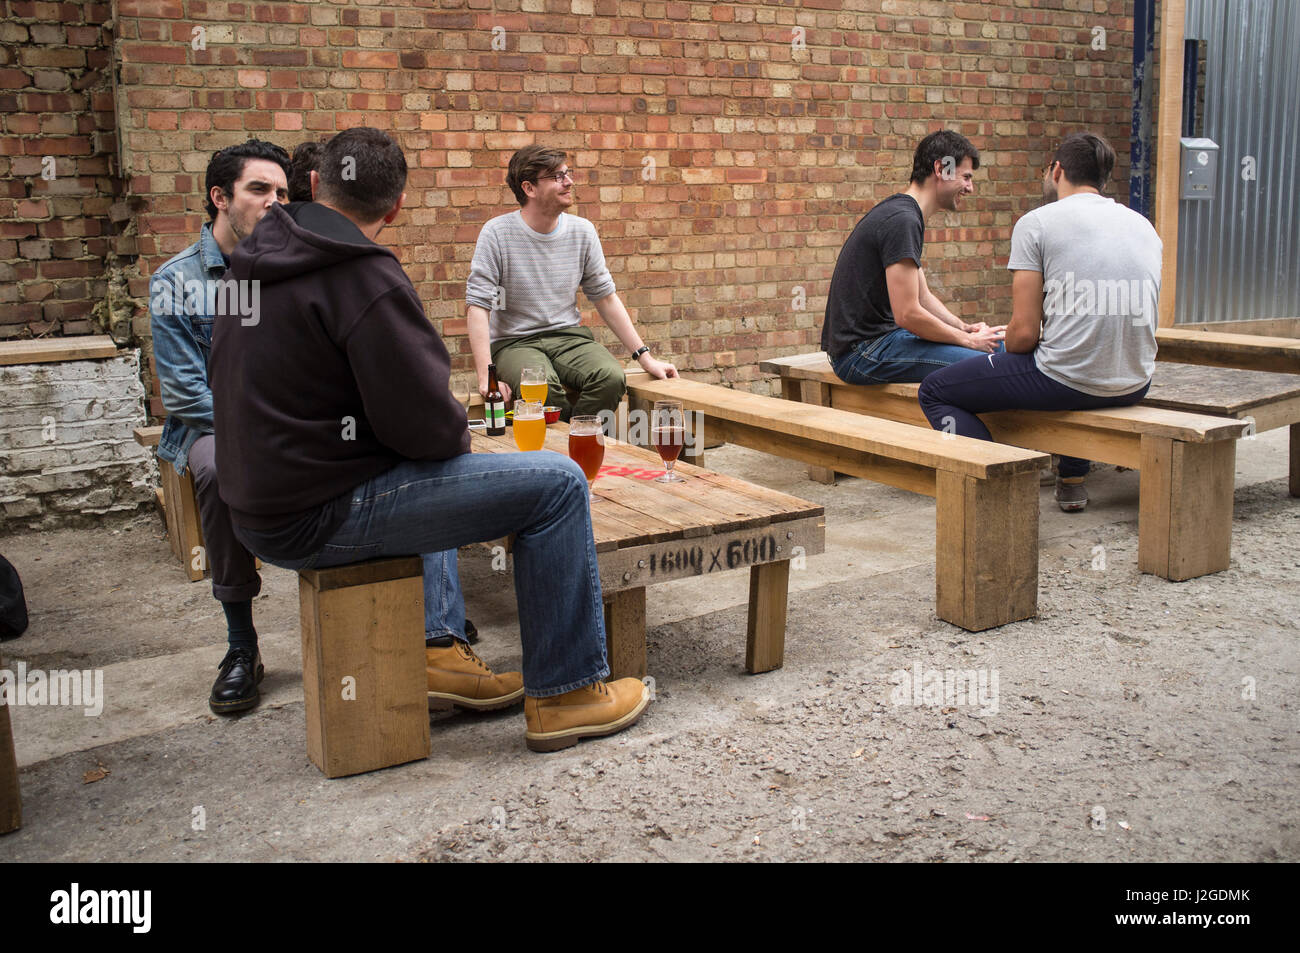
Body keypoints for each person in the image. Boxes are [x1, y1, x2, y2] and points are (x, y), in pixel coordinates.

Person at [209, 127, 649, 751]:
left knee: (424, 470)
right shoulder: (364, 277)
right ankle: (568, 694)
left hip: (254, 507)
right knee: (556, 485)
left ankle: (438, 650)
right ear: (394, 209)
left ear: (309, 185)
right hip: (317, 514)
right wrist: (438, 430)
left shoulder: (251, 262)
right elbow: (431, 428)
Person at [917, 132, 1161, 512]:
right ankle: (1072, 478)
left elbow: (1024, 335)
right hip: (1134, 381)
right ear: (1103, 179)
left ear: (1057, 170)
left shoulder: (1037, 223)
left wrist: (1003, 340)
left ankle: (994, 491)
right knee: (1068, 360)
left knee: (935, 390)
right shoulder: (1143, 225)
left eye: (1047, 170)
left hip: (1068, 381)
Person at [149, 139, 290, 714]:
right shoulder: (176, 280)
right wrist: (269, 427)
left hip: (282, 417)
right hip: (211, 424)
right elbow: (185, 394)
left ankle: (424, 621)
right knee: (214, 469)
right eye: (259, 190)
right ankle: (241, 646)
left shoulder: (292, 268)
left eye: (283, 193)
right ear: (220, 197)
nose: (274, 203)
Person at [465, 145, 678, 423]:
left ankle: (577, 445)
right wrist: (487, 376)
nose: (569, 182)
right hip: (514, 344)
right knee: (543, 390)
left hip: (569, 338)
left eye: (567, 173)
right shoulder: (497, 234)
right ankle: (566, 458)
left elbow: (606, 297)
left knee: (611, 378)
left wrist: (645, 357)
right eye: (556, 177)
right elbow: (478, 307)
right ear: (528, 188)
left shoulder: (582, 230)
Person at [822, 129, 1005, 384]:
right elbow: (907, 314)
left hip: (880, 343)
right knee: (991, 363)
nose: (970, 188)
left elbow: (923, 297)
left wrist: (964, 328)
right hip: (862, 354)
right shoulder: (902, 220)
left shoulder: (905, 214)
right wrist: (969, 342)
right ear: (941, 169)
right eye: (965, 177)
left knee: (999, 348)